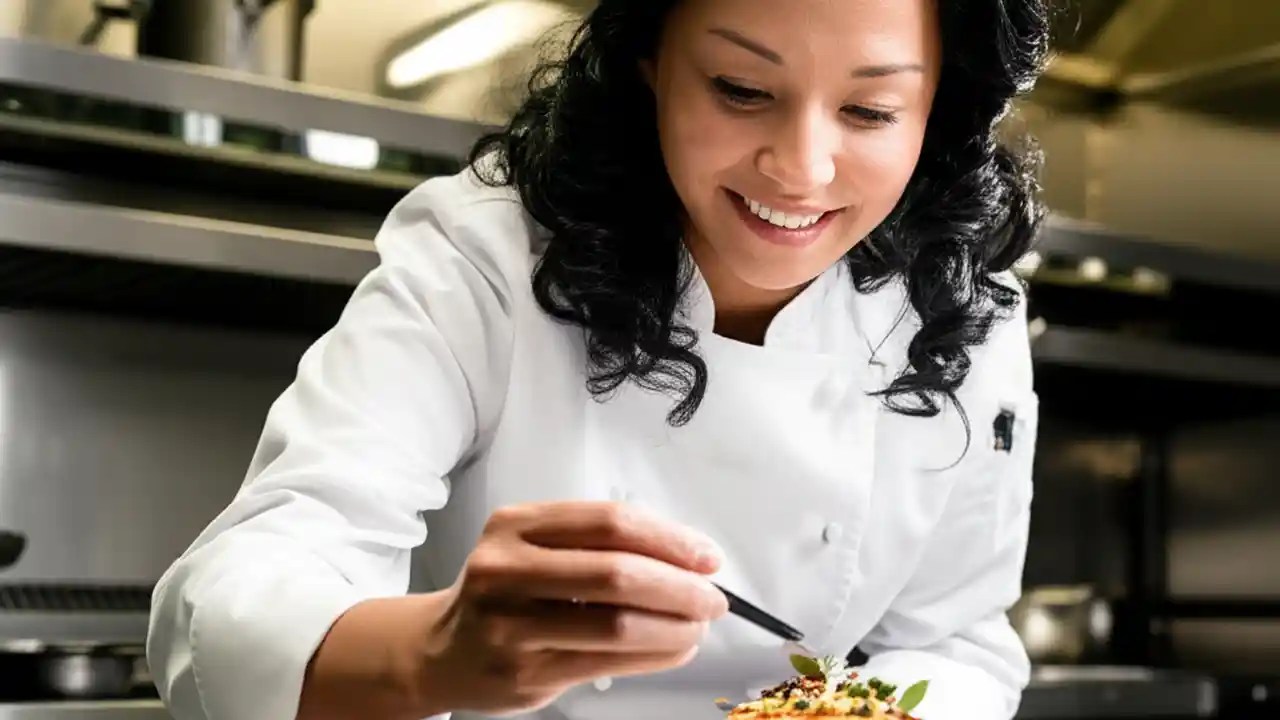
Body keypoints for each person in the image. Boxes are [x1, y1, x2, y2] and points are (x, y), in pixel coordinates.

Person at [147, 0, 1051, 718]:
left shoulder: (966, 308)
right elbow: (236, 595)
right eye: (740, 88)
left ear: (939, 109)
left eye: (869, 110)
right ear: (650, 59)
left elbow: (956, 640)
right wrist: (435, 651)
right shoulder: (487, 255)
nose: (800, 168)